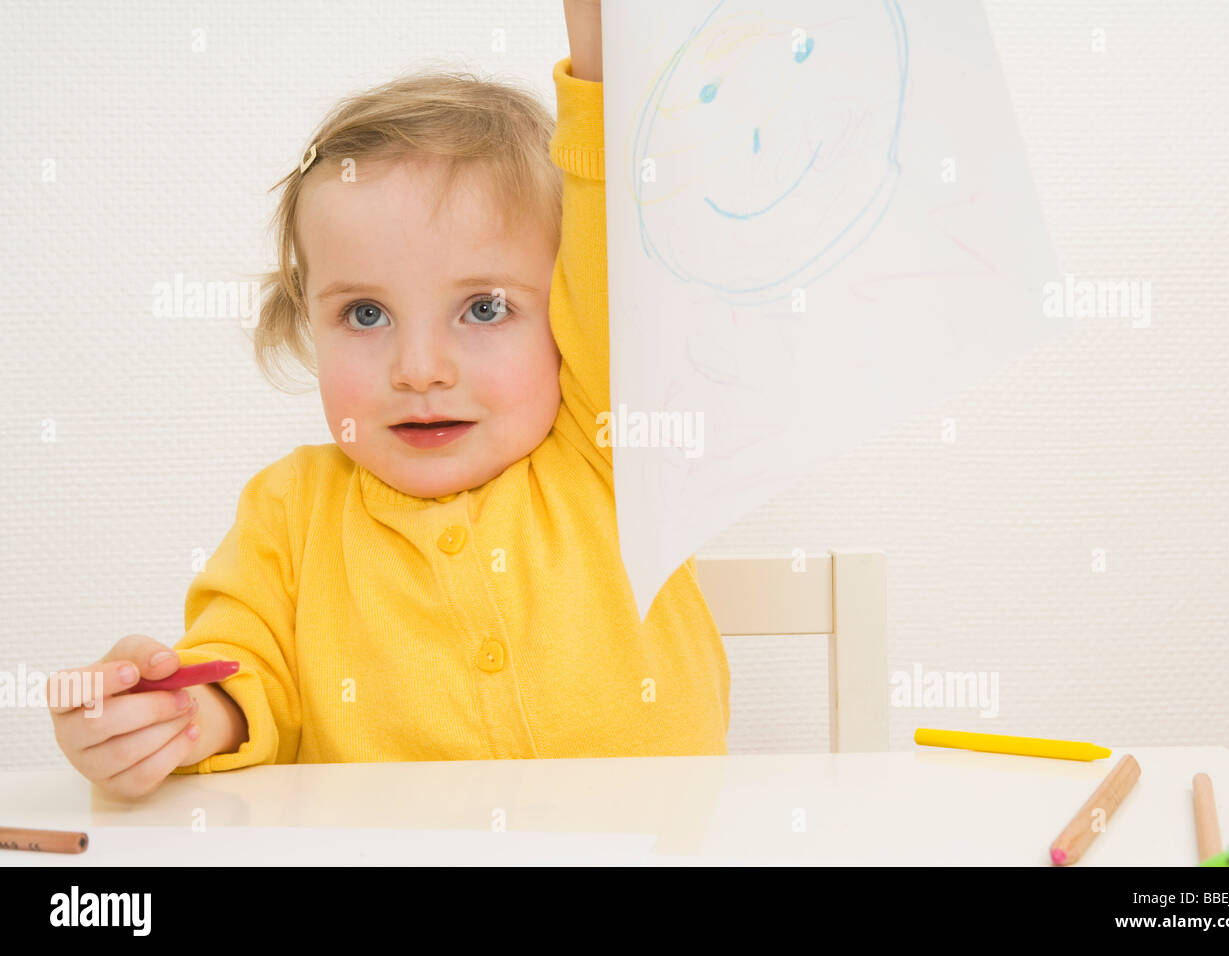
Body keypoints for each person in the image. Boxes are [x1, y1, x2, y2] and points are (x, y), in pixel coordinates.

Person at [49, 0, 730, 799]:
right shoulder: (289, 512)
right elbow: (246, 665)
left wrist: (605, 72)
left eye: (484, 308)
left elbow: (621, 242)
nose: (419, 369)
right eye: (364, 314)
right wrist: (183, 716)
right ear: (307, 321)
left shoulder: (612, 446)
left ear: (567, 313)